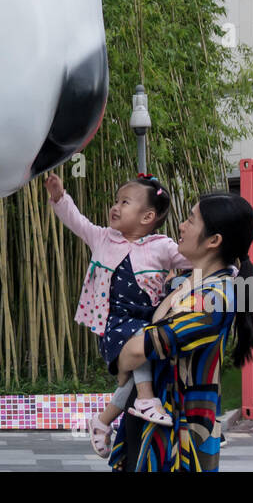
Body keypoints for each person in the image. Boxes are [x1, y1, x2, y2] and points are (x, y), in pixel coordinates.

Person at [109, 193, 253, 472]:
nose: (182, 225)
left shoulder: (215, 298)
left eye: (191, 220)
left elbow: (139, 349)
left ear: (214, 241)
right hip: (153, 426)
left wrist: (123, 362)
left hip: (182, 437)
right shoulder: (187, 280)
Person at [44, 171, 190, 456]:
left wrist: (222, 267)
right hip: (114, 324)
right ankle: (147, 400)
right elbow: (77, 221)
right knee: (139, 348)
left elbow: (194, 256)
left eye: (125, 202)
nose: (115, 206)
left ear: (147, 217)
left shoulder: (162, 246)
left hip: (148, 321)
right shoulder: (103, 239)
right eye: (116, 200)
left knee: (135, 372)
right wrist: (59, 197)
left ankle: (101, 421)